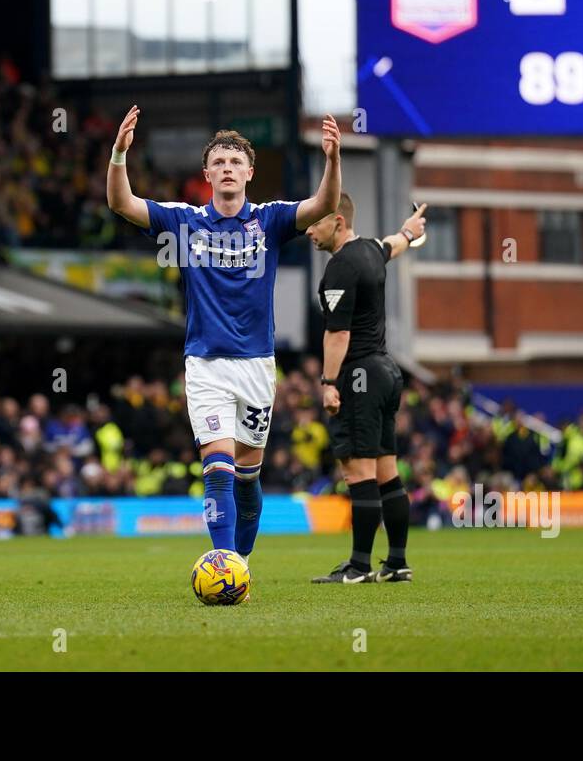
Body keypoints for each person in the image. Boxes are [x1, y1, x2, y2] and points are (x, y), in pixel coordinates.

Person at [106, 106, 341, 564]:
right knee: (217, 470)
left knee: (248, 477)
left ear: (249, 173)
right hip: (206, 364)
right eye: (219, 162)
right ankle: (225, 562)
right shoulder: (184, 220)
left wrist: (332, 160)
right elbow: (122, 204)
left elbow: (324, 206)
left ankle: (242, 564)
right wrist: (119, 154)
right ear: (207, 175)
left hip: (256, 365)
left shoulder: (270, 220)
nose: (227, 168)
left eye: (235, 162)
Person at [306, 194, 427, 583]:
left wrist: (327, 383)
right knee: (387, 471)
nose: (308, 229)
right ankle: (396, 562)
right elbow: (394, 244)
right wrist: (411, 231)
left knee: (359, 473)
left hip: (359, 374)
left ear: (338, 222)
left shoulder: (340, 267)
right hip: (386, 371)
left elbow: (337, 333)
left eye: (315, 222)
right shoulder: (371, 250)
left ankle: (358, 567)